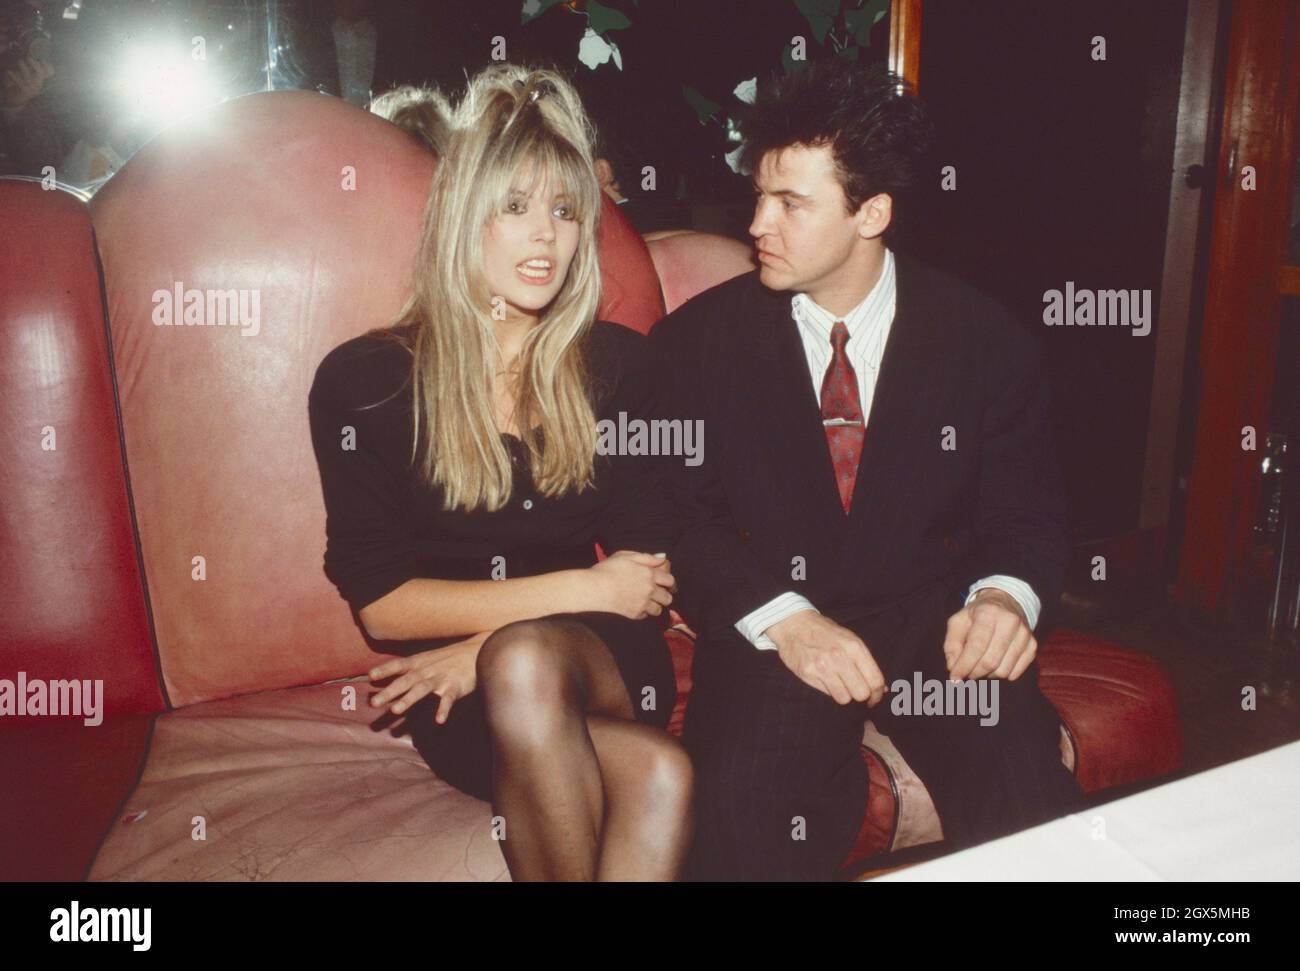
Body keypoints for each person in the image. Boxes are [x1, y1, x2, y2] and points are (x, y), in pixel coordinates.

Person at [649, 60, 1084, 881]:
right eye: (759, 197)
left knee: (1026, 792)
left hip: (932, 624)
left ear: (872, 212)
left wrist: (1000, 597)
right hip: (777, 628)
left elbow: (1027, 513)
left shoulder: (984, 339)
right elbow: (679, 516)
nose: (758, 224)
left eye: (791, 203)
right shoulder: (697, 345)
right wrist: (785, 620)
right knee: (742, 815)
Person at [308, 64, 692, 881]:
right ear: (462, 220)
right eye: (513, 208)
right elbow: (382, 603)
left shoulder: (619, 369)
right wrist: (558, 601)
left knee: (522, 658)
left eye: (563, 210)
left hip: (604, 657)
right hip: (471, 700)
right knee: (661, 774)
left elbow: (644, 575)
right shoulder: (367, 384)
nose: (545, 237)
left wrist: (487, 642)